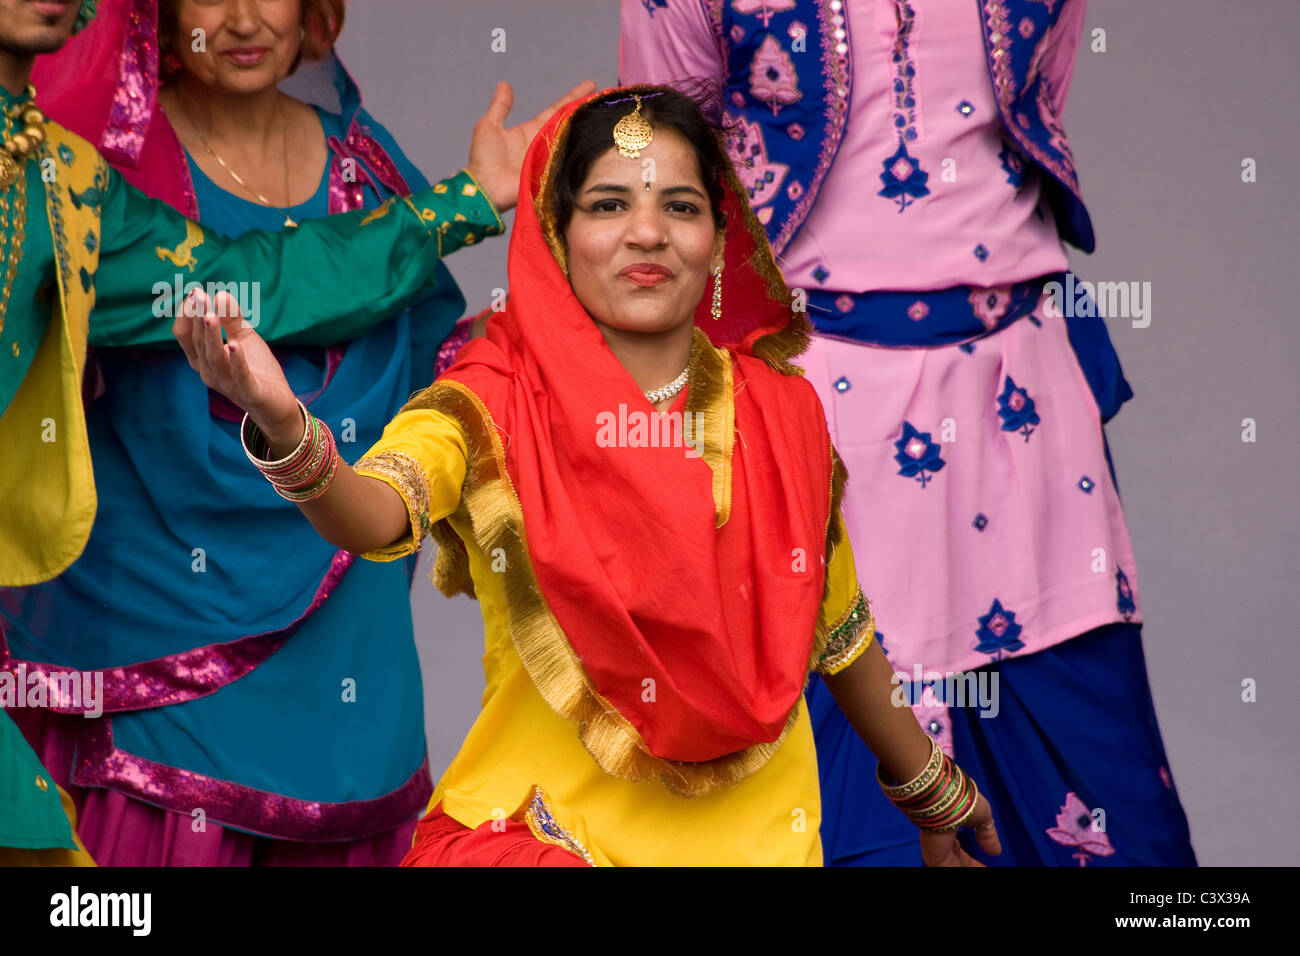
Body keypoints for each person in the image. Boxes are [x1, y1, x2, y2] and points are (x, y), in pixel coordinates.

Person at [177, 82, 1005, 866]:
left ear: (719, 239)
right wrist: (286, 428)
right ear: (555, 232)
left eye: (679, 207)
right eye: (609, 205)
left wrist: (934, 791)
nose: (646, 233)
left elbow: (837, 629)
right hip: (543, 835)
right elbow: (375, 513)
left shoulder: (780, 414)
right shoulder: (494, 398)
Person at [0, 0, 591, 863]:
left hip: (346, 634)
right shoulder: (96, 170)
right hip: (158, 629)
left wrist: (566, 317)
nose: (242, 16)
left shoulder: (62, 173)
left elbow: (328, 317)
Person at [618, 0, 1196, 866]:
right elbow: (657, 148)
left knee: (1102, 801)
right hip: (802, 397)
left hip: (1016, 396)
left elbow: (1039, 94)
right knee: (817, 781)